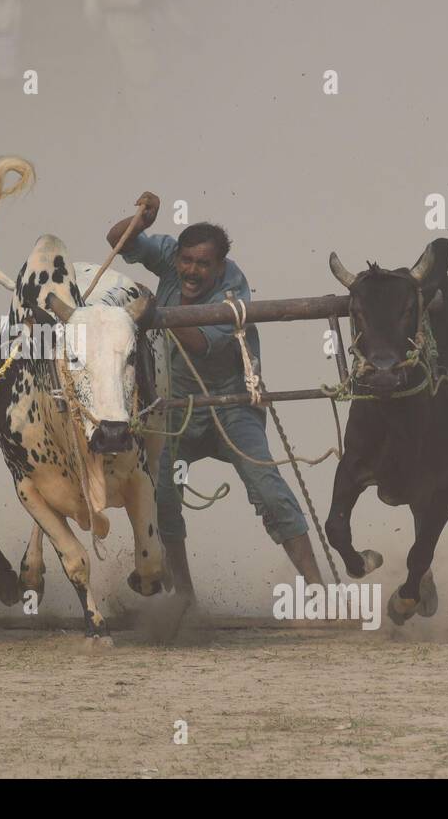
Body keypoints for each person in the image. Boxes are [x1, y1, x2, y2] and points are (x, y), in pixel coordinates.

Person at [110, 193, 326, 598]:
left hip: (232, 404)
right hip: (175, 406)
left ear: (219, 266)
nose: (191, 271)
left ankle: (317, 589)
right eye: (186, 261)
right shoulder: (170, 257)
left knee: (266, 484)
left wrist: (157, 311)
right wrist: (141, 222)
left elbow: (200, 344)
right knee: (164, 493)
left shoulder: (233, 291)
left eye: (203, 264)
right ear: (177, 257)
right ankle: (186, 597)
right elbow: (116, 241)